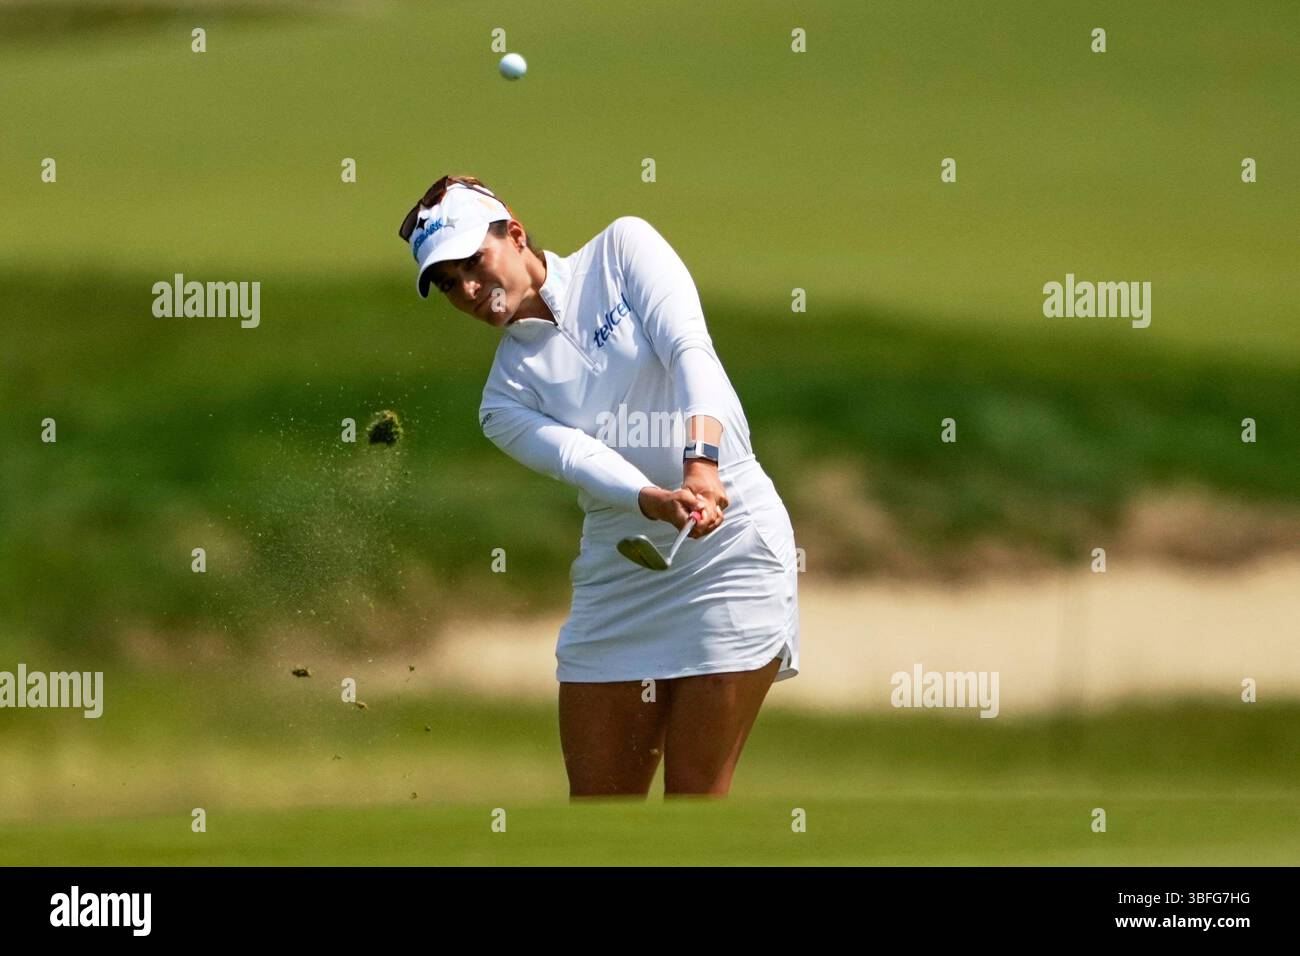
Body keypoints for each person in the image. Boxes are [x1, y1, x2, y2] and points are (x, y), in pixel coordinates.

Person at [397, 175, 800, 798]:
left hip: (730, 549)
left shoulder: (621, 250)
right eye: (448, 283)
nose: (469, 289)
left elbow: (692, 350)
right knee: (599, 818)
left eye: (473, 261)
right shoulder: (502, 399)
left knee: (694, 802)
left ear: (516, 233)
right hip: (621, 572)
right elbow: (580, 458)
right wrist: (656, 500)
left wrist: (701, 462)